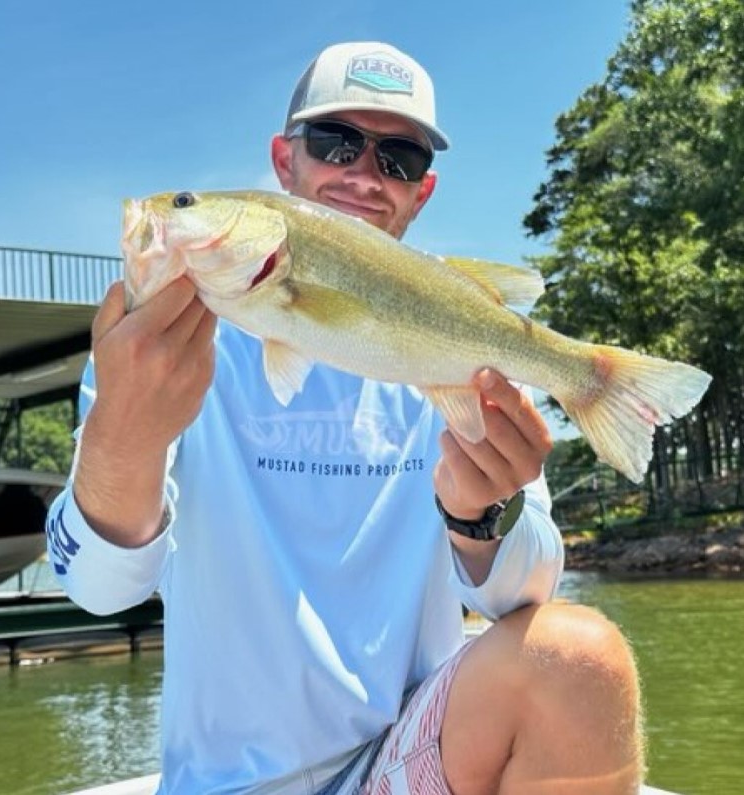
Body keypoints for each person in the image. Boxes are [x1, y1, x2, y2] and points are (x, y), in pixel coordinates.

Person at [46, 41, 643, 795]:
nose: (363, 175)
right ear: (282, 160)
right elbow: (99, 589)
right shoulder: (158, 349)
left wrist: (480, 516)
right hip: (223, 781)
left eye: (397, 158)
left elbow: (522, 598)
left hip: (405, 761)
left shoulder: (455, 351)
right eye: (335, 143)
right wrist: (122, 439)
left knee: (579, 654)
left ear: (420, 193)